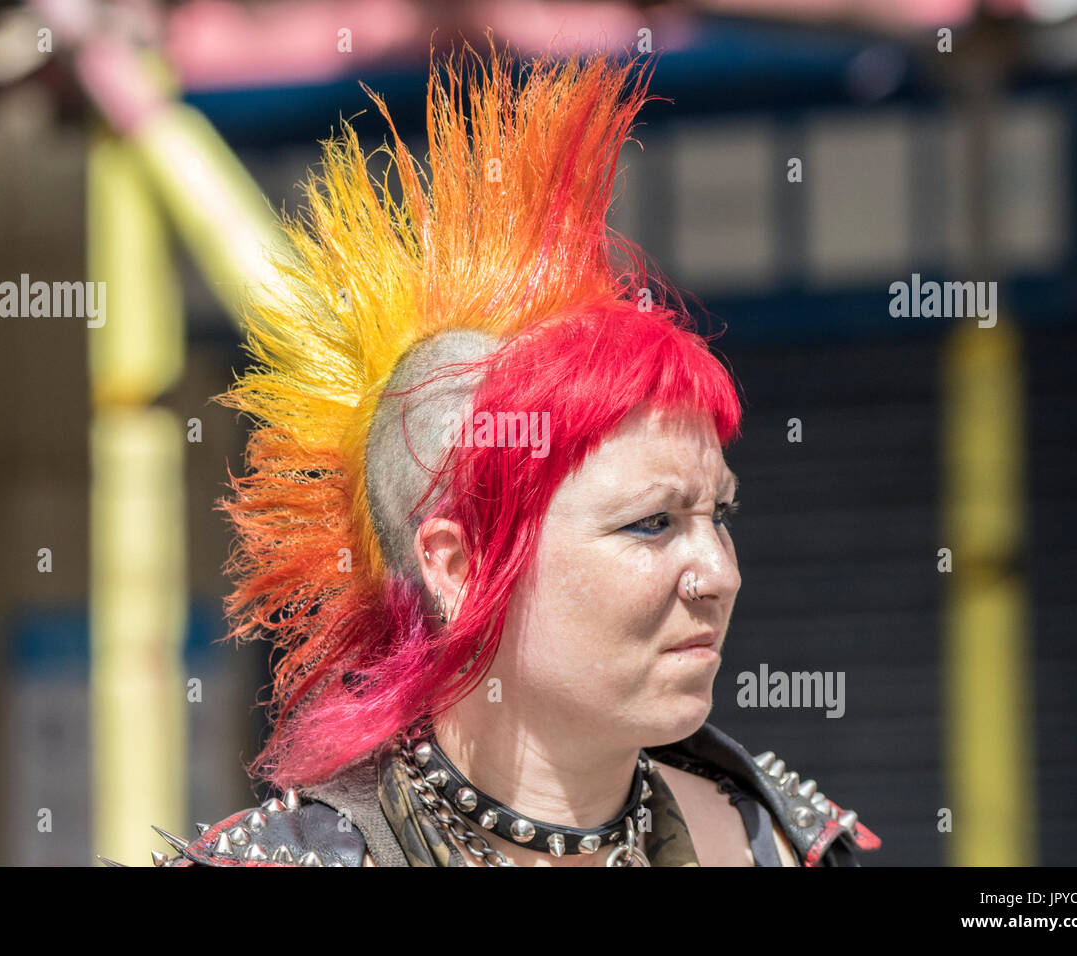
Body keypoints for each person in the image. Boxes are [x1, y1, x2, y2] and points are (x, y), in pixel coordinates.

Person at [132, 45, 881, 868]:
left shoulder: (779, 843)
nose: (718, 573)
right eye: (652, 523)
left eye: (718, 515)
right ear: (456, 563)